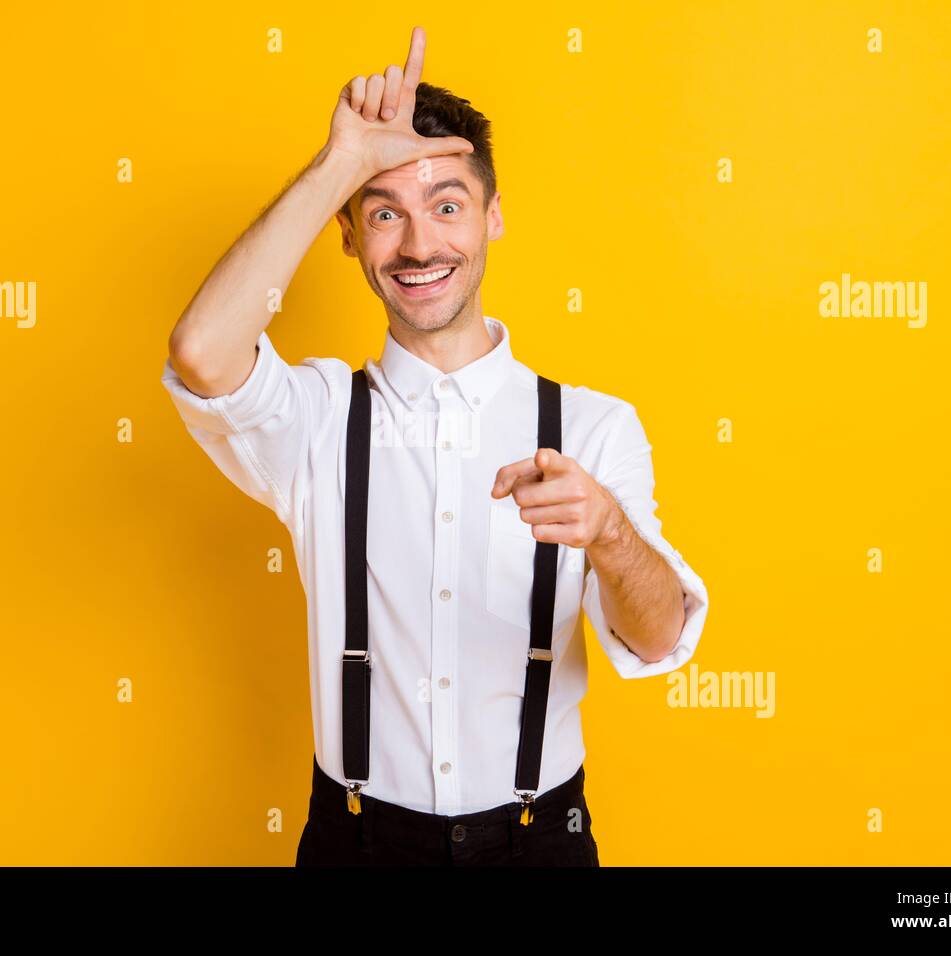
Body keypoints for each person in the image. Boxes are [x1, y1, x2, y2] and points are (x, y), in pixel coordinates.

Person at [162, 26, 710, 866]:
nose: (420, 246)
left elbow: (659, 638)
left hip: (540, 844)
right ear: (348, 235)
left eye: (447, 205)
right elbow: (202, 352)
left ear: (492, 217)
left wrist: (608, 534)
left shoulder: (595, 427)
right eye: (385, 213)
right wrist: (338, 165)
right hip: (355, 844)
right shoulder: (314, 420)